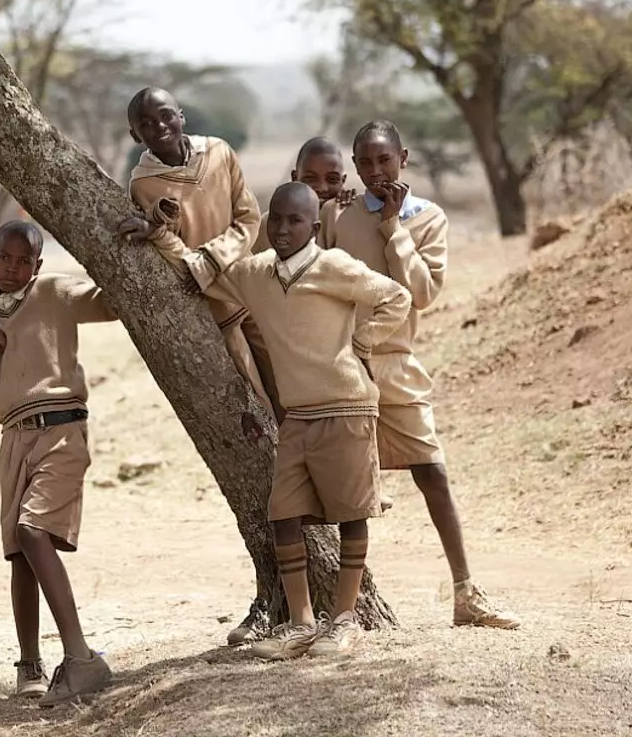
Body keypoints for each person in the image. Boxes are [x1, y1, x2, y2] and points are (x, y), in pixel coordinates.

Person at [148, 182, 412, 659]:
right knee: (284, 516)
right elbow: (198, 274)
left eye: (295, 221)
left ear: (313, 227)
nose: (284, 229)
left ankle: (345, 621)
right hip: (297, 417)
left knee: (352, 515)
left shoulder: (334, 266)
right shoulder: (254, 273)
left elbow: (396, 297)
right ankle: (302, 624)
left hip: (347, 407)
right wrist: (163, 236)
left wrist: (364, 342)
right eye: (276, 220)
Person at [319, 119, 521, 629]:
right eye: (364, 162)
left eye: (384, 160)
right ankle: (341, 612)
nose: (374, 171)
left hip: (397, 362)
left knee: (432, 471)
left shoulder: (427, 218)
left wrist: (393, 228)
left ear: (403, 158)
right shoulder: (338, 216)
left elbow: (424, 294)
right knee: (351, 492)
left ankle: (465, 593)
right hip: (344, 364)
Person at [0, 221, 117, 706]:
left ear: (38, 266)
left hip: (62, 429)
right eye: (5, 257)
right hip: (13, 439)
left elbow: (110, 302)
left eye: (24, 261)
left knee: (32, 530)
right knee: (19, 553)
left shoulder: (54, 292)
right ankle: (30, 664)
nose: (13, 267)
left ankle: (82, 658)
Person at [116, 86, 282, 423]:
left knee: (285, 376)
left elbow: (248, 217)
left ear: (181, 117)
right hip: (213, 304)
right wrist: (196, 266)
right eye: (147, 123)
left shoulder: (219, 152)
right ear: (136, 135)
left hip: (251, 286)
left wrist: (211, 259)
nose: (160, 126)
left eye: (166, 116)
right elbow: (164, 243)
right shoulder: (143, 185)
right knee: (255, 391)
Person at [252, 136, 358, 253]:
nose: (322, 188)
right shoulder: (270, 224)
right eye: (310, 179)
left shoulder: (350, 217)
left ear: (343, 181)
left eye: (332, 179)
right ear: (295, 177)